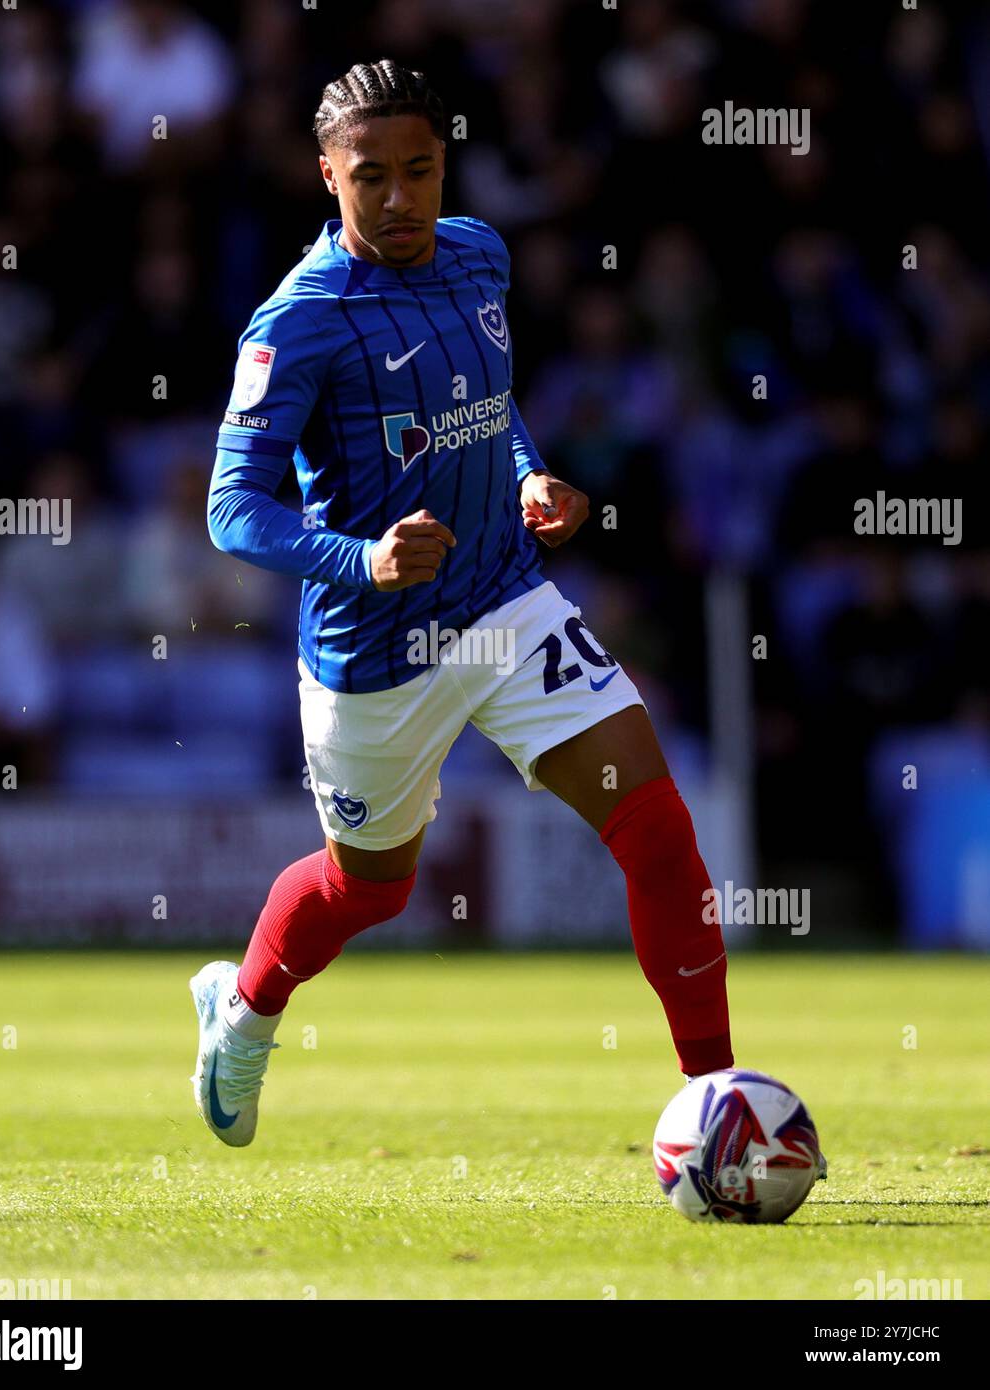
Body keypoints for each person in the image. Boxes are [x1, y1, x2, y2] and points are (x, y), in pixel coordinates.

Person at [190, 59, 732, 1148]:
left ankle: (717, 1101)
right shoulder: (297, 322)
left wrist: (529, 471)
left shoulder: (480, 255)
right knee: (371, 889)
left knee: (659, 828)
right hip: (376, 649)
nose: (399, 199)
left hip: (505, 602)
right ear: (327, 176)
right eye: (372, 177)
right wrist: (361, 558)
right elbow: (230, 510)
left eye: (421, 170)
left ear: (448, 164)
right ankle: (243, 1012)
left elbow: (487, 401)